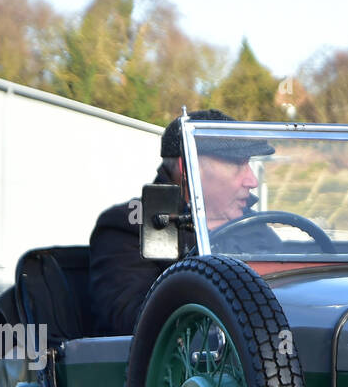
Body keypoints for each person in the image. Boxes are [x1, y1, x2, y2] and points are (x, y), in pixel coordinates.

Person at [88, 109, 276, 338]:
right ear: (188, 168)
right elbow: (137, 321)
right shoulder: (129, 227)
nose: (252, 181)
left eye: (249, 165)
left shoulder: (253, 227)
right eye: (238, 165)